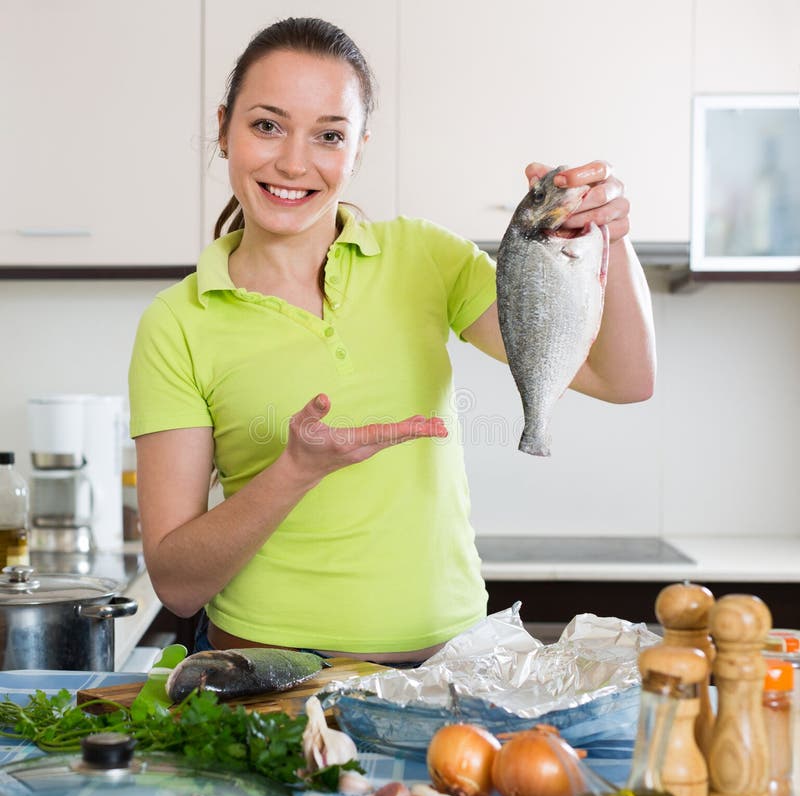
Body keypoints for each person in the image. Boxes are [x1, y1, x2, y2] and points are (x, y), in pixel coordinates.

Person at [128, 17, 655, 665]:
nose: (293, 162)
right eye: (267, 125)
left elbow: (625, 379)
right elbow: (178, 586)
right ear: (223, 128)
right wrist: (293, 472)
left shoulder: (423, 256)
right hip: (270, 680)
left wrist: (609, 235)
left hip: (448, 673)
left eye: (329, 135)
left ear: (358, 149)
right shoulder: (177, 322)